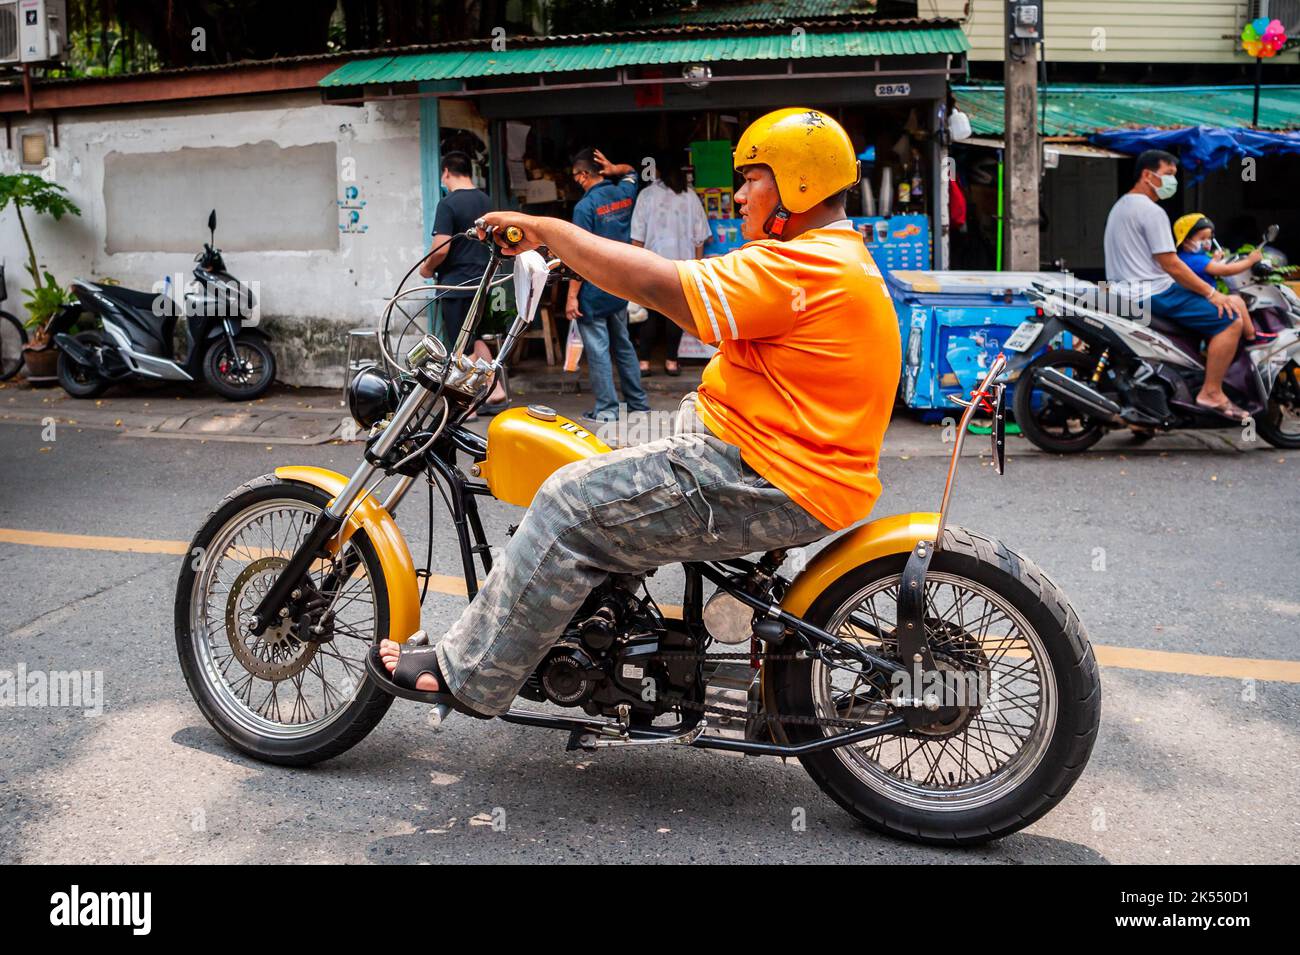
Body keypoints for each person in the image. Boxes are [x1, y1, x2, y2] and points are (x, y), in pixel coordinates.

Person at [376, 108, 901, 719]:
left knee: (567, 503)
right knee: (599, 463)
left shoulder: (803, 264)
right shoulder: (835, 256)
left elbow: (659, 285)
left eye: (752, 179)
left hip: (764, 475)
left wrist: (549, 230)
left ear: (798, 183)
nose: (739, 195)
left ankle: (465, 673)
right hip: (768, 457)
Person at [1103, 150, 1251, 421]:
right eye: (1168, 175)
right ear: (1148, 175)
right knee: (1231, 319)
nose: (1173, 181)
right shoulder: (1152, 211)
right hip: (1153, 292)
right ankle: (1212, 392)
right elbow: (1171, 264)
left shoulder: (1121, 206)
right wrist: (1211, 293)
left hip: (1122, 291)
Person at [418, 150, 508, 414]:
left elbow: (441, 249)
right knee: (477, 339)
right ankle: (496, 391)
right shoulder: (486, 200)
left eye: (443, 176)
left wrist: (426, 268)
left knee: (459, 349)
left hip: (457, 285)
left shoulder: (447, 204)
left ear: (446, 172)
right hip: (485, 283)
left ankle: (462, 404)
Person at [566, 147, 649, 423]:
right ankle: (637, 402)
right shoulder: (622, 193)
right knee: (623, 343)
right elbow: (633, 173)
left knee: (599, 349)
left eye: (576, 176)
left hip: (594, 287)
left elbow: (579, 256)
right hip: (621, 284)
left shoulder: (584, 208)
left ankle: (607, 409)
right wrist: (617, 167)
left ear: (582, 176)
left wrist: (572, 296)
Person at [629, 151, 711, 376]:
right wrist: (697, 266)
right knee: (676, 315)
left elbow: (637, 237)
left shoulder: (646, 195)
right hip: (682, 268)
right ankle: (671, 362)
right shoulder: (690, 196)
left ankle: (644, 362)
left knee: (649, 314)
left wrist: (631, 272)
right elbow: (700, 237)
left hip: (651, 266)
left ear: (657, 171)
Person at [1173, 213, 1273, 343]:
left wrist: (1214, 260)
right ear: (1186, 241)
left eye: (1209, 237)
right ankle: (1251, 337)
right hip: (1200, 299)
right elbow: (1226, 270)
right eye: (1202, 238)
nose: (1207, 241)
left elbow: (1203, 271)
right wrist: (1250, 261)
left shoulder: (1184, 256)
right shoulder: (1196, 259)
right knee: (1236, 301)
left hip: (1192, 298)